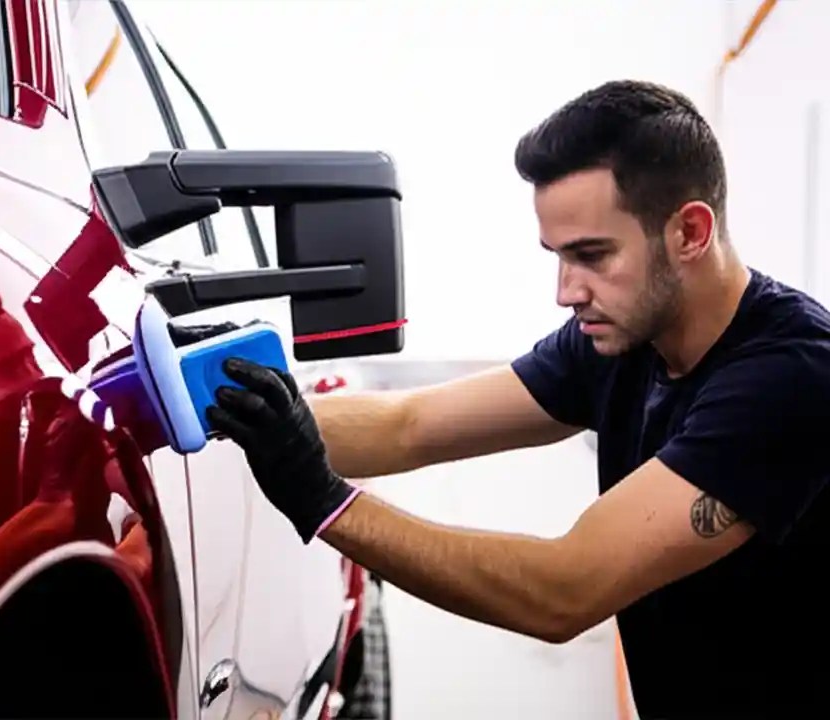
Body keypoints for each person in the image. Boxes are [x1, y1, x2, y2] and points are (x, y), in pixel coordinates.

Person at [194, 80, 830, 718]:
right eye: (557, 256)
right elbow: (409, 425)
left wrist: (324, 501)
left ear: (689, 232)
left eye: (592, 255)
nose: (565, 290)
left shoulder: (794, 377)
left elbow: (566, 589)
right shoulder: (624, 335)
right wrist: (217, 407)